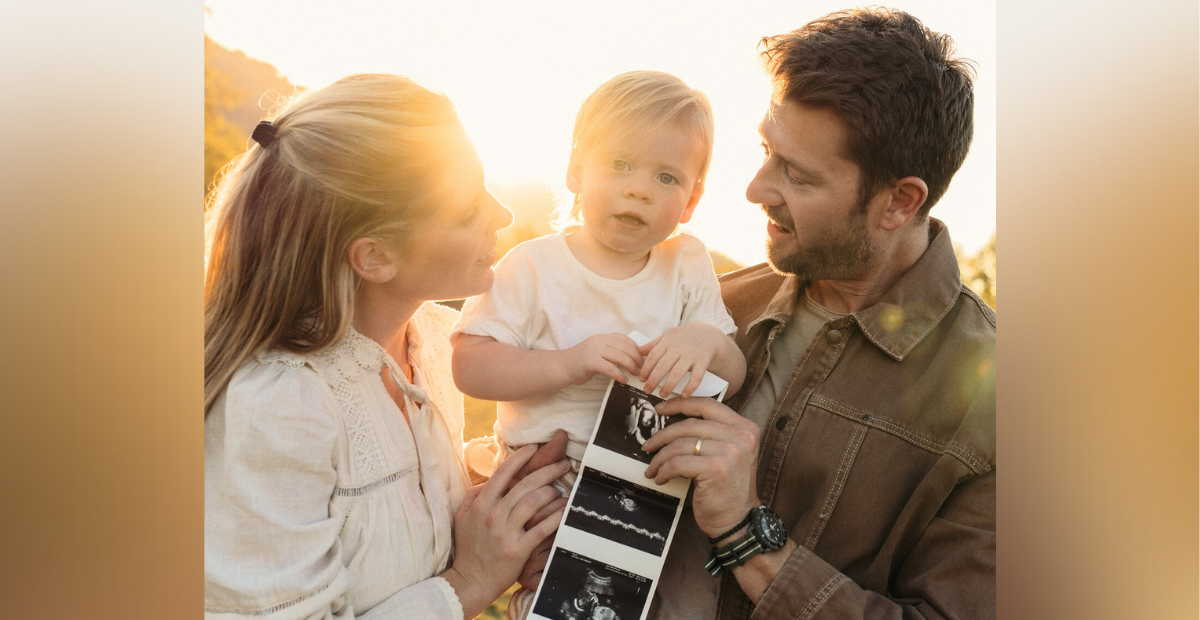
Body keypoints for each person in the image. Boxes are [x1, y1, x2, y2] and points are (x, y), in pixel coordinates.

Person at [642, 9, 996, 619]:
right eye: (766, 151)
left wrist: (747, 537)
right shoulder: (709, 307)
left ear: (898, 202)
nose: (755, 189)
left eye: (797, 176)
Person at [203, 74, 571, 620]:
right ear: (374, 258)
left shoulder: (439, 343)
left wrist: (504, 523)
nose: (503, 216)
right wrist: (470, 581)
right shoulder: (274, 406)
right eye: (468, 210)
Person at [451, 70, 747, 619]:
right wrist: (570, 362)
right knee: (556, 599)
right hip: (545, 481)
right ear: (575, 171)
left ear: (691, 199)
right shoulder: (533, 266)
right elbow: (471, 365)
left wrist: (703, 338)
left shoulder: (684, 263)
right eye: (620, 165)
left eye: (666, 176)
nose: (639, 188)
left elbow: (733, 371)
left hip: (645, 492)